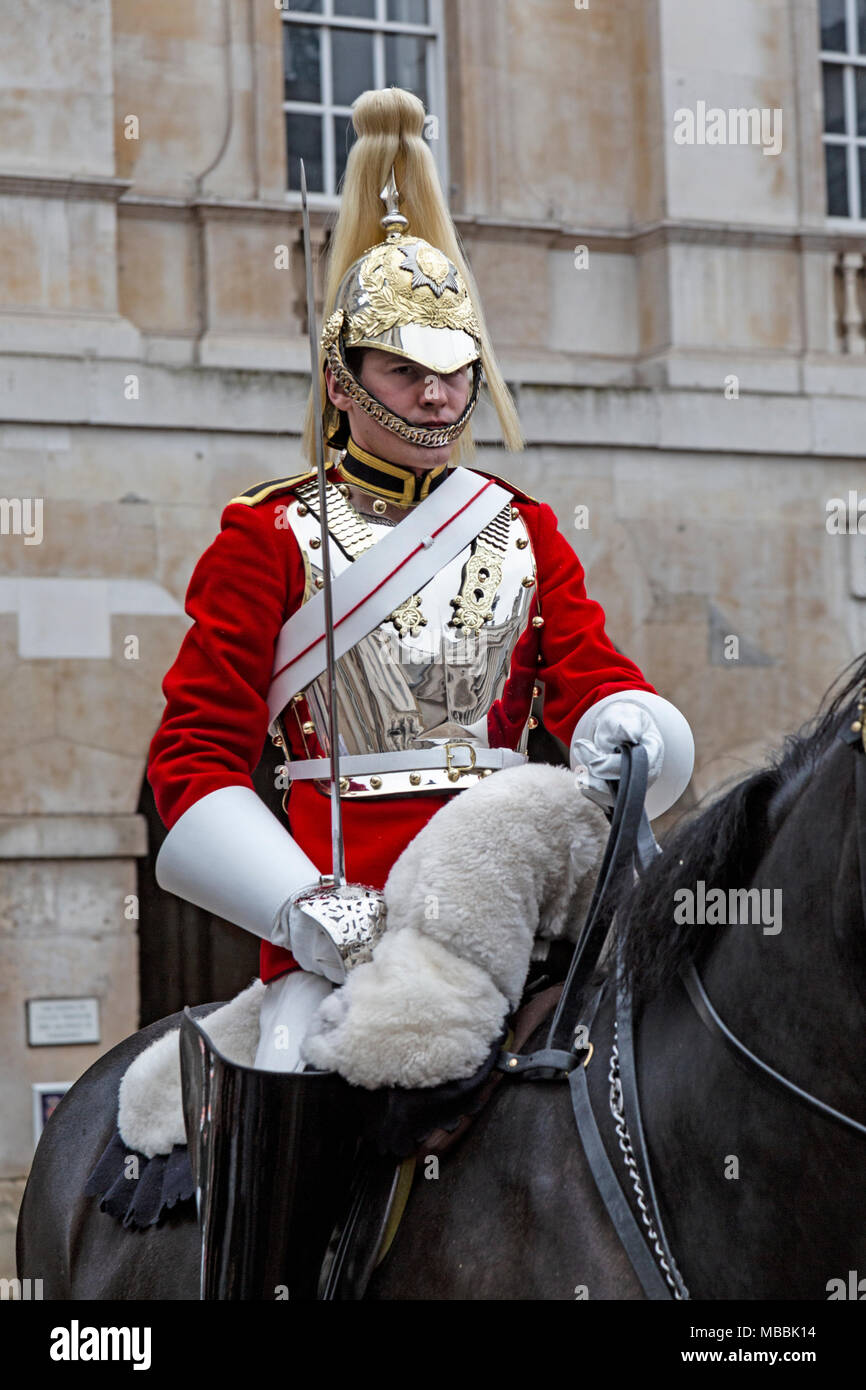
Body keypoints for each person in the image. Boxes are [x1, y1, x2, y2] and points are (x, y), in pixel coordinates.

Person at [148, 86, 694, 1077]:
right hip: (345, 918)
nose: (438, 394)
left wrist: (629, 724)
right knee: (285, 1069)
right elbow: (191, 759)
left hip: (519, 909)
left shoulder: (519, 528)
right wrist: (298, 901)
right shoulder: (268, 535)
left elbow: (590, 676)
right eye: (405, 370)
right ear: (341, 380)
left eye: (455, 368)